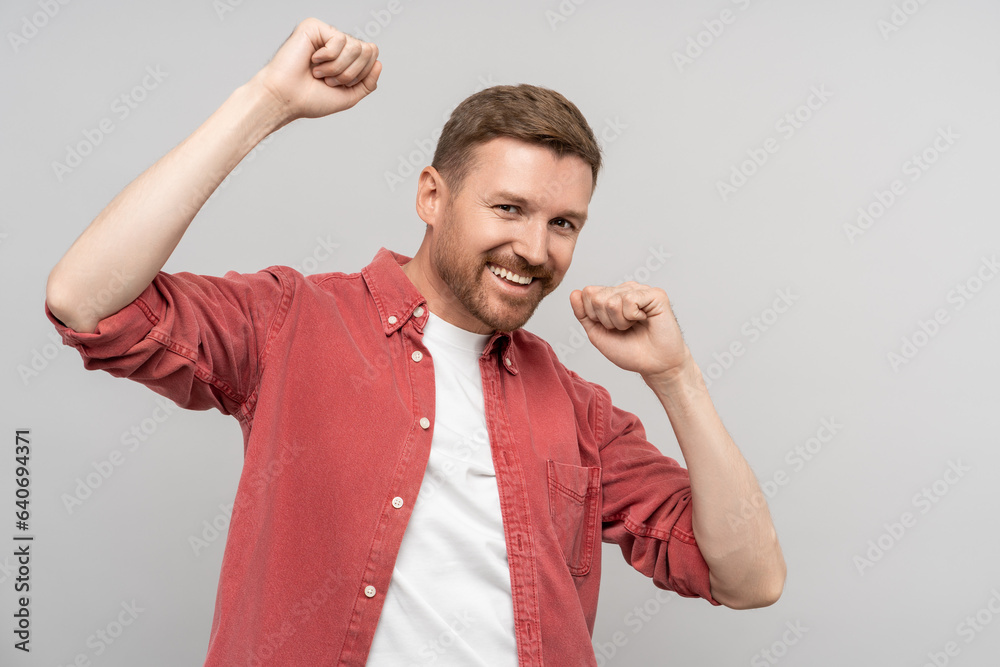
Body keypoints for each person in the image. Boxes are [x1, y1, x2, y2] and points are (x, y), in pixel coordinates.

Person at [44, 17, 785, 667]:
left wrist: (677, 374)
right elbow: (86, 301)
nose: (534, 247)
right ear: (432, 196)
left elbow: (751, 577)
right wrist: (265, 103)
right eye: (509, 208)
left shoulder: (574, 406)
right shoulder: (294, 321)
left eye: (564, 223)